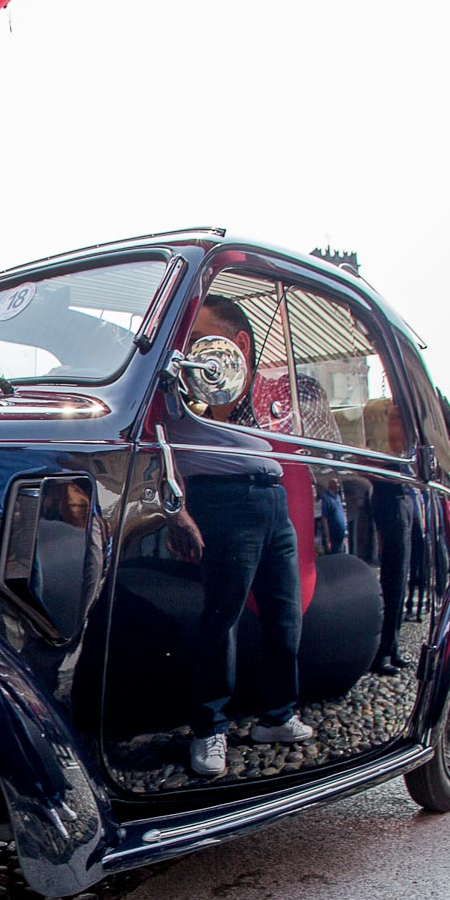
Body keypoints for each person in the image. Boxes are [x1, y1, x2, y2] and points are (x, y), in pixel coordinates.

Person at [166, 295, 314, 776]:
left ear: (239, 342)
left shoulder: (266, 388)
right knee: (222, 617)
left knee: (284, 615)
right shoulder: (182, 384)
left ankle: (278, 715)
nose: (190, 349)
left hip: (271, 497)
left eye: (201, 338)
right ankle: (209, 729)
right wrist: (178, 510)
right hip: (222, 496)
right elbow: (164, 443)